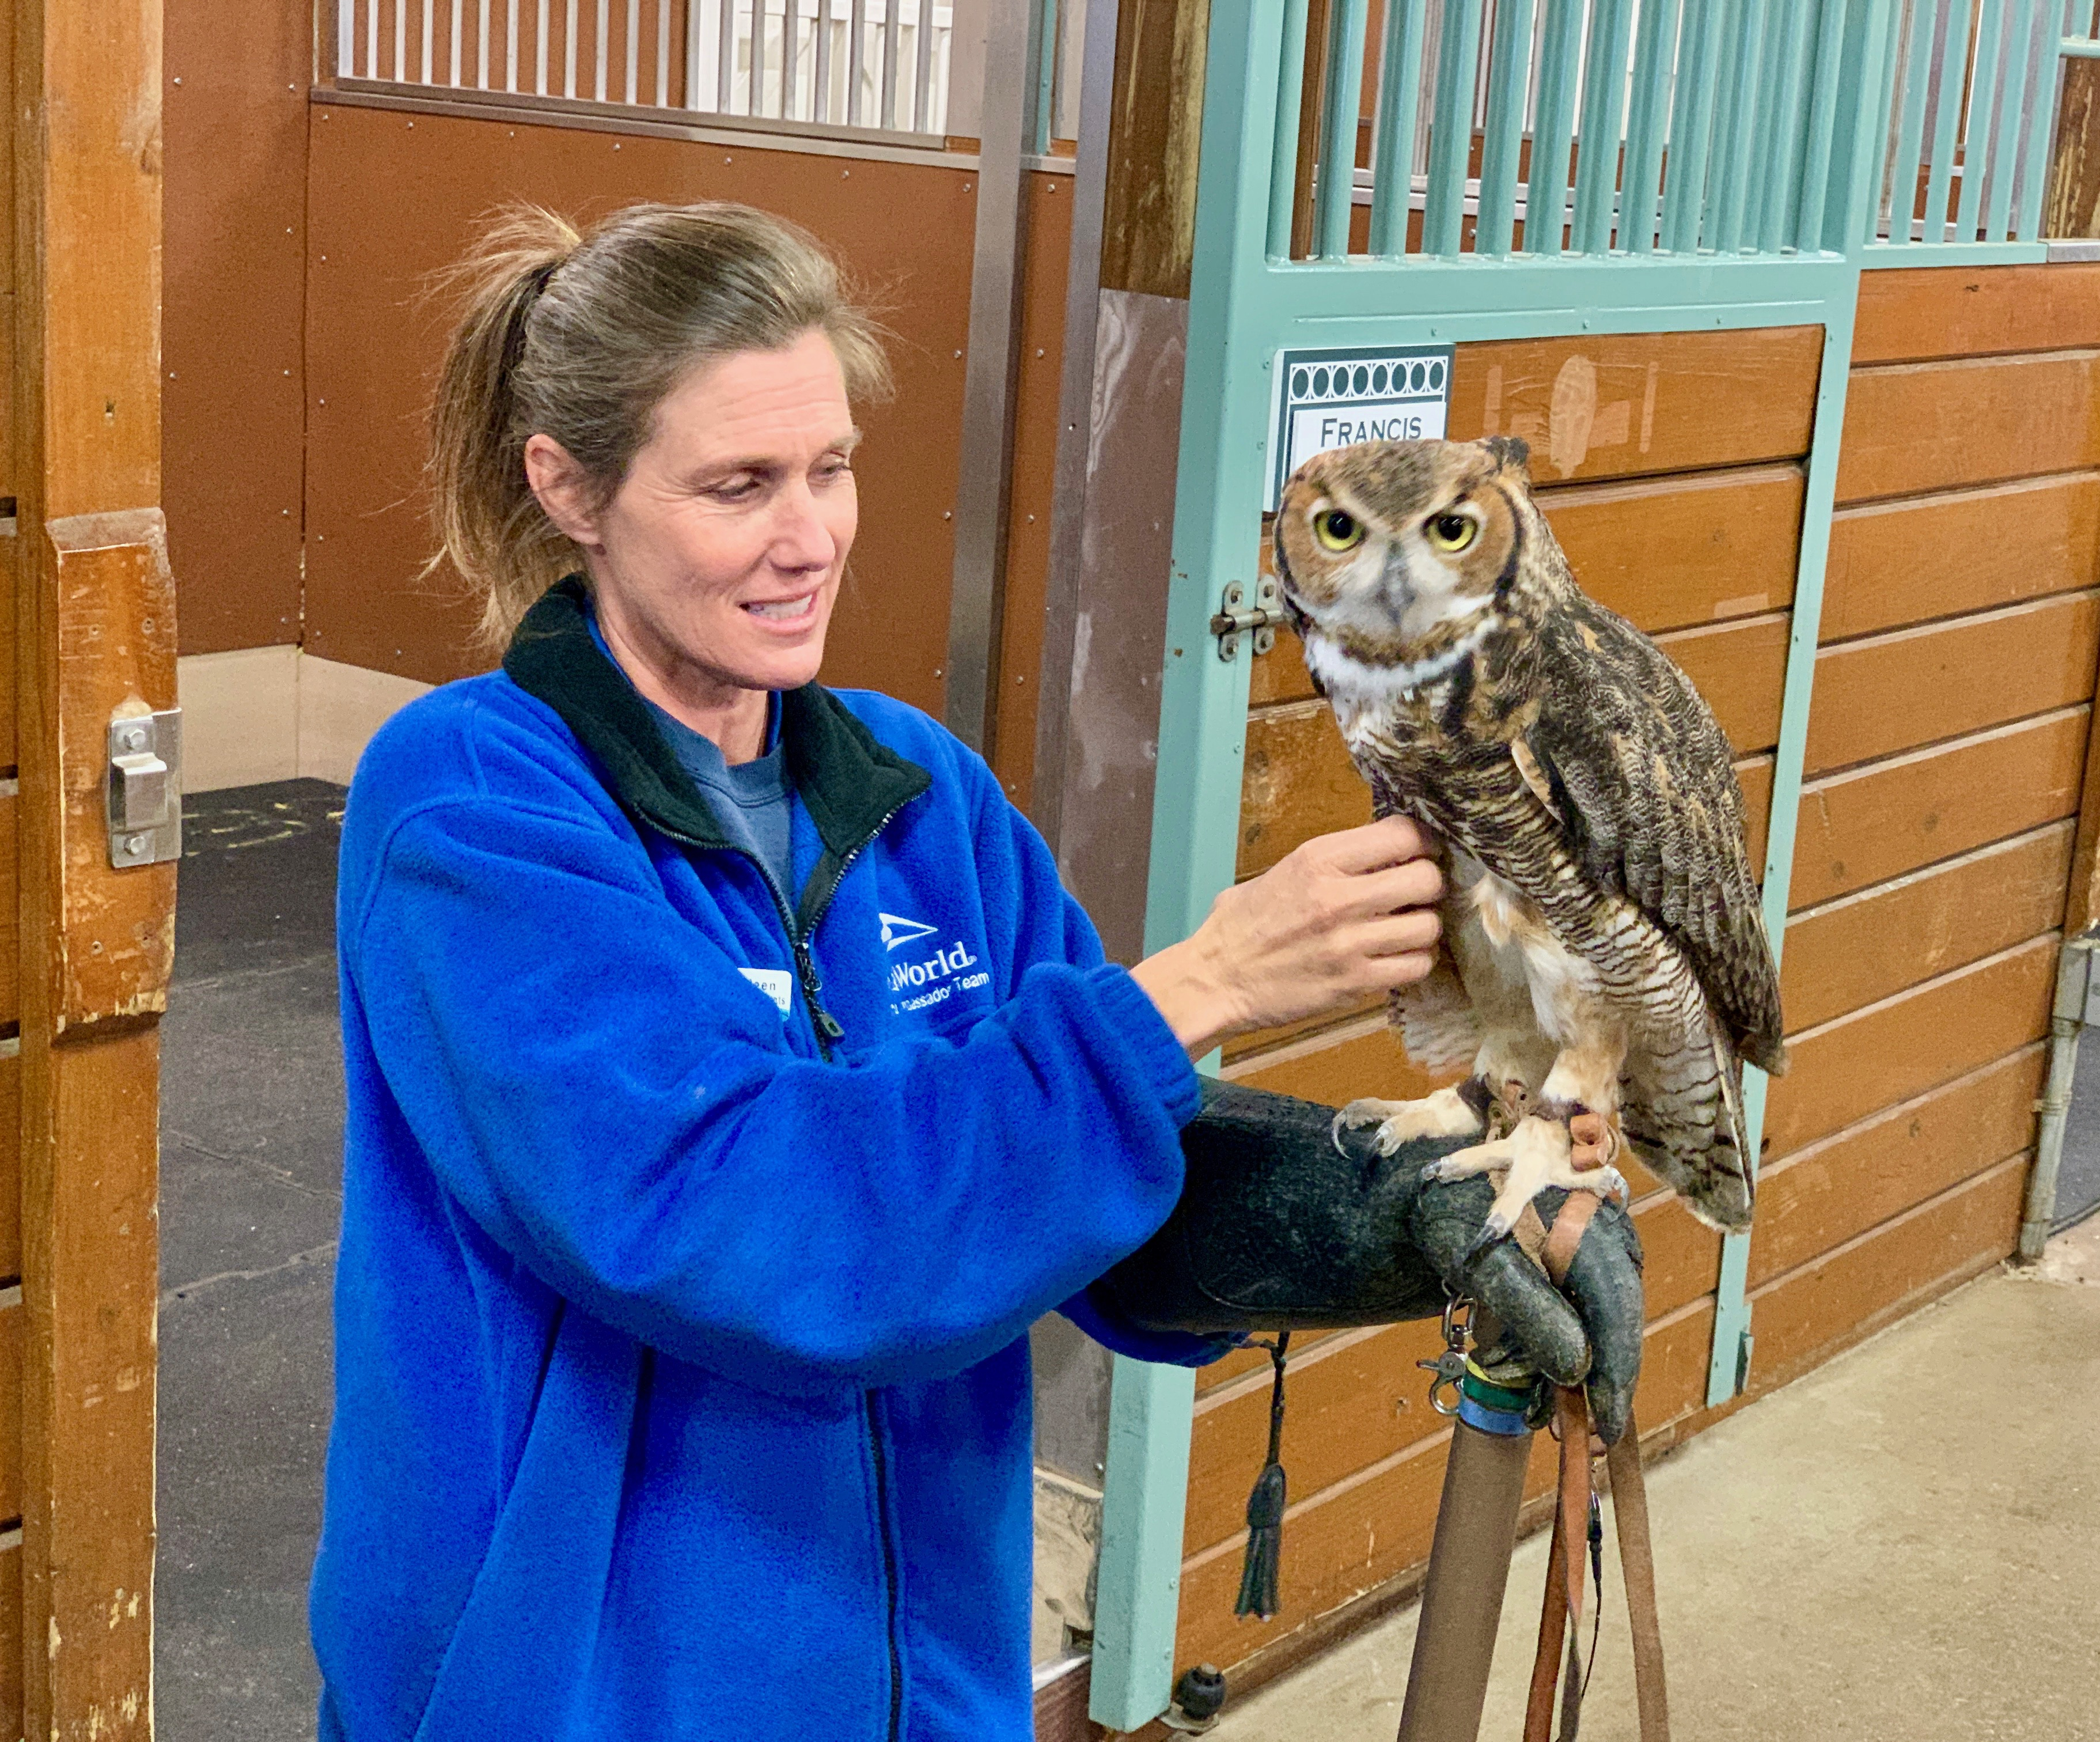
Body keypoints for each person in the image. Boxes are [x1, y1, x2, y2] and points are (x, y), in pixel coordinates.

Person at [309, 200, 1449, 1741]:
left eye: (831, 467)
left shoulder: (919, 789)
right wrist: (1196, 988)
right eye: (739, 485)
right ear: (568, 487)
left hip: (918, 1686)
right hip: (587, 1692)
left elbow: (1070, 1181)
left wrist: (1404, 1212)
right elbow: (758, 1224)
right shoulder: (472, 810)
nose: (810, 537)